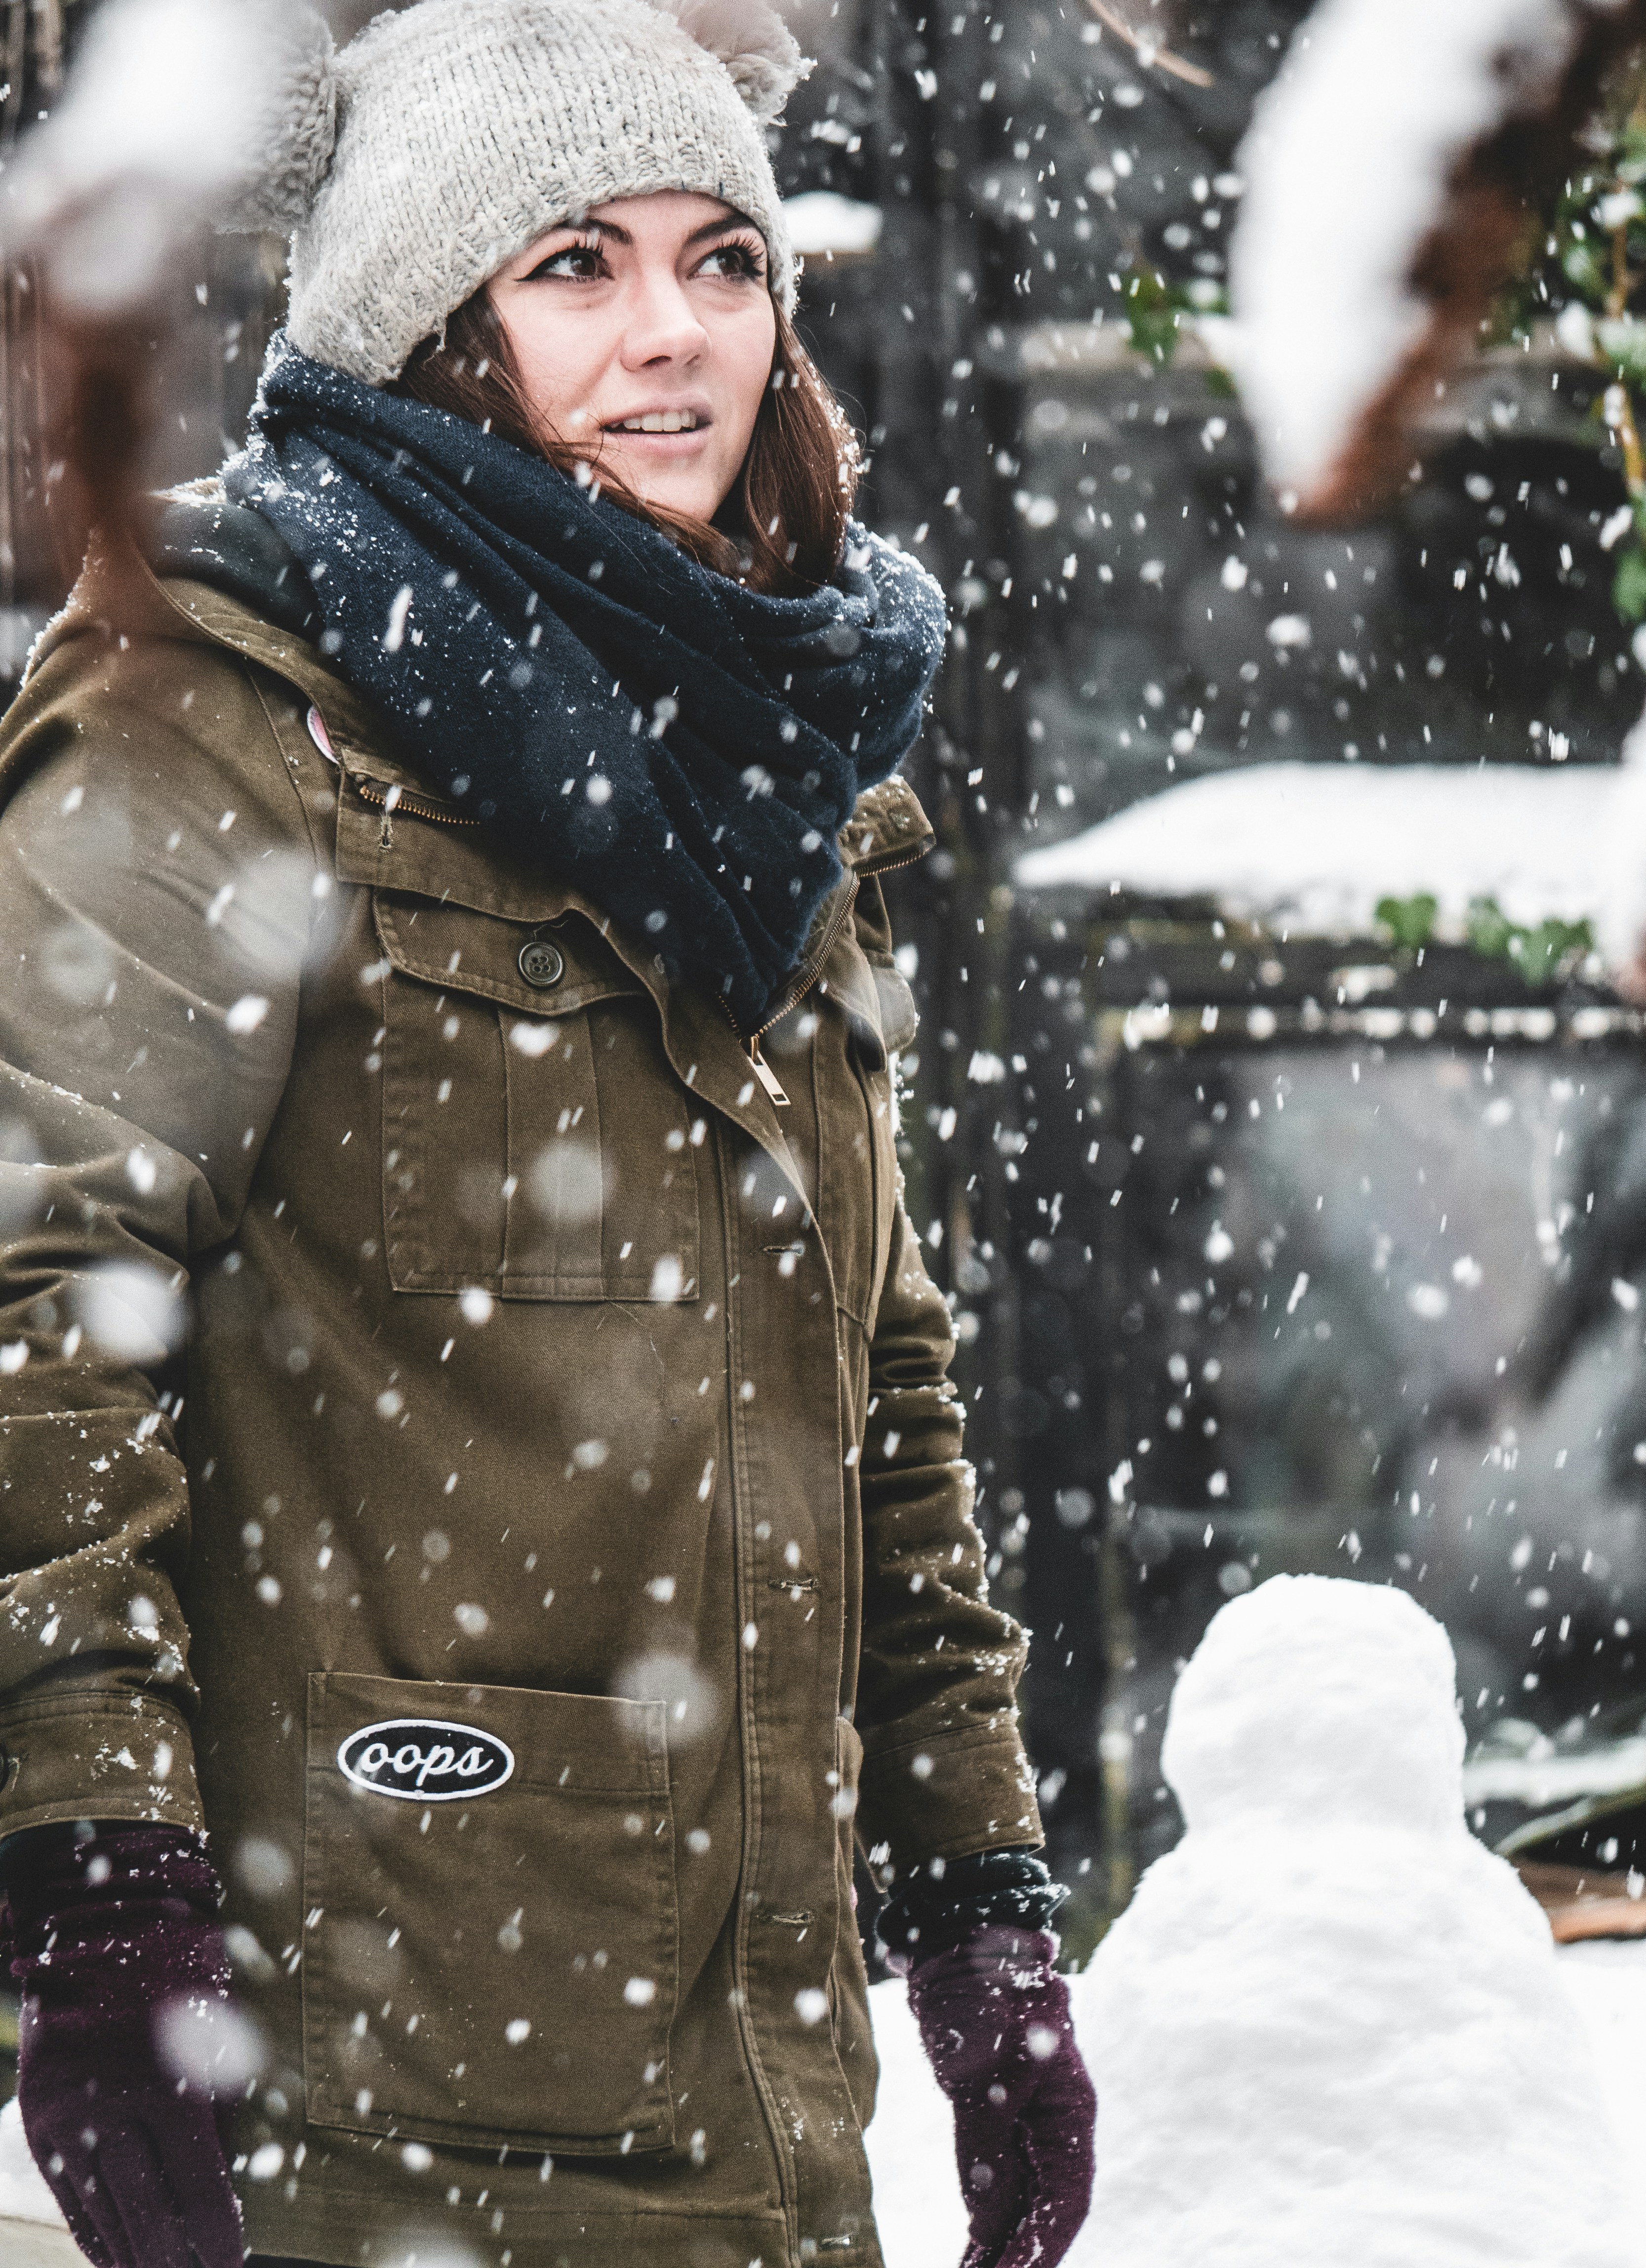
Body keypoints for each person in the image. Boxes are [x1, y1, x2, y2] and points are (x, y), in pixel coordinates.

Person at [0, 3, 1096, 2266]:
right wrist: (99, 1893)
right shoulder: (215, 710)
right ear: (433, 326)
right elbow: (34, 1303)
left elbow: (874, 1383)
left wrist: (977, 1898)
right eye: (575, 265)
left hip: (760, 2110)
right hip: (356, 2087)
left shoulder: (786, 754)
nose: (675, 334)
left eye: (722, 257)